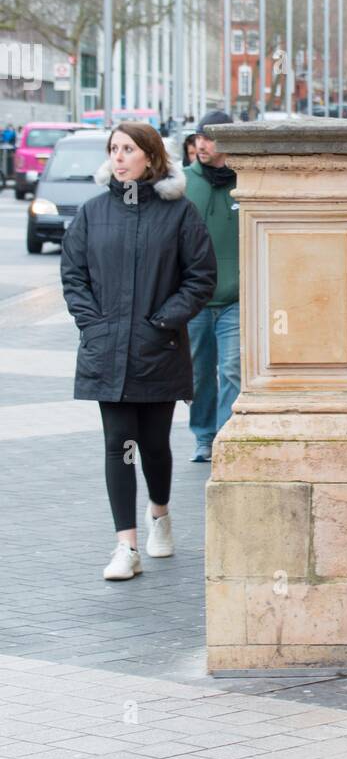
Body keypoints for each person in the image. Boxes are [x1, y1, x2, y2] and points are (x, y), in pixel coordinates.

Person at [60, 123, 217, 580]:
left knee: (153, 445)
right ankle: (125, 547)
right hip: (106, 349)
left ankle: (160, 515)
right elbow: (74, 275)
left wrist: (163, 321)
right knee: (118, 444)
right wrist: (93, 324)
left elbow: (200, 277)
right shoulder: (92, 214)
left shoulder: (180, 215)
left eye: (128, 149)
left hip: (158, 348)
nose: (119, 157)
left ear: (150, 156)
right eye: (113, 149)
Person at [184, 110, 241, 462]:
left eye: (209, 137)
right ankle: (203, 435)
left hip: (235, 297)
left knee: (232, 369)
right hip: (194, 298)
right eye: (199, 137)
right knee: (199, 373)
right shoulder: (182, 183)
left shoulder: (246, 179)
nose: (202, 144)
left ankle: (225, 436)